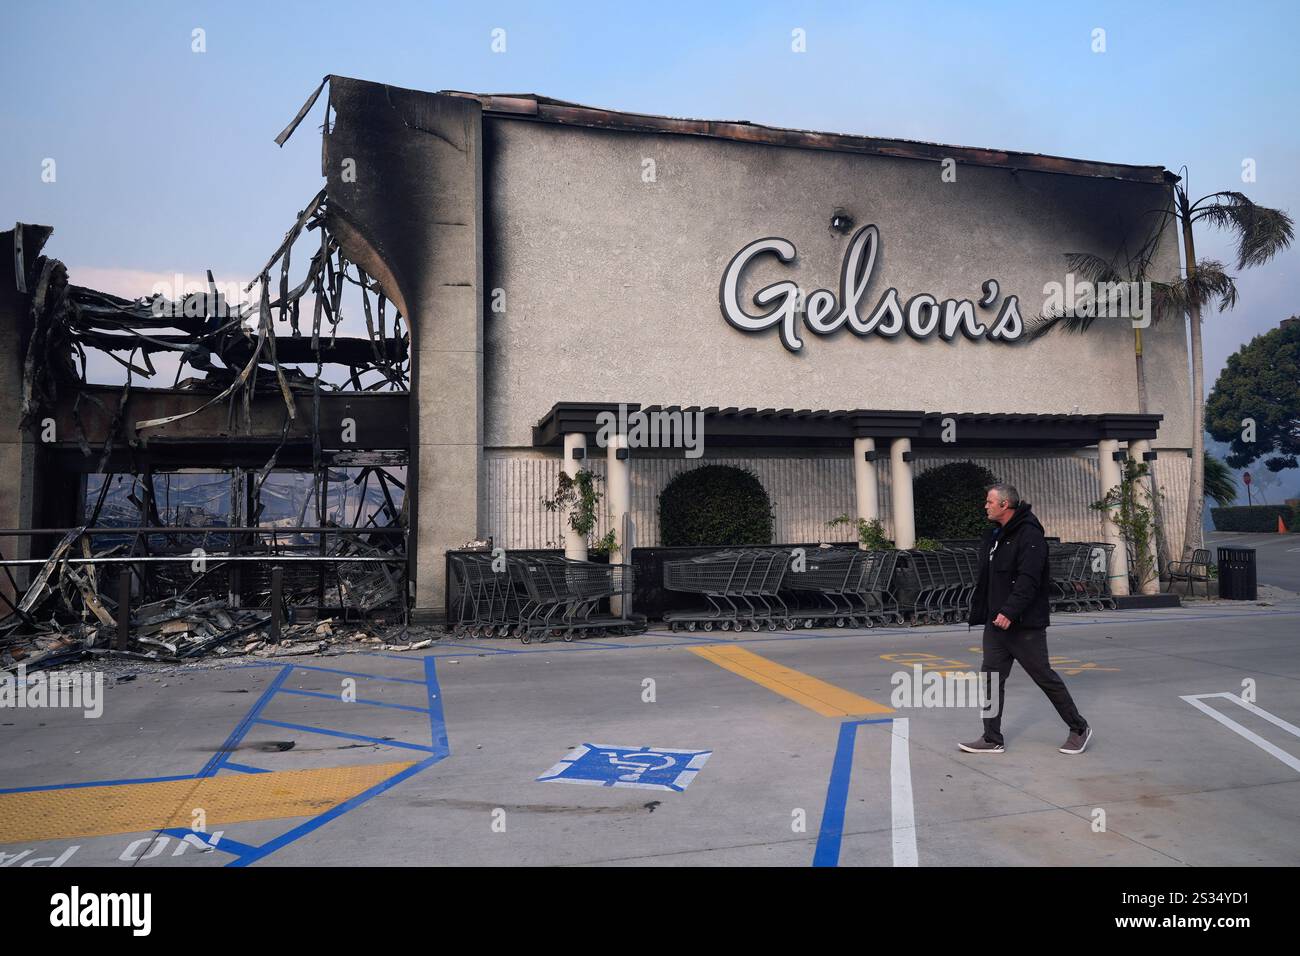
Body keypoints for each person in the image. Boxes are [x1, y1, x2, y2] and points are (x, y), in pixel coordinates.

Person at [959, 484, 1092, 755]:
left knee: (1043, 676)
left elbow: (1028, 580)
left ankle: (1079, 727)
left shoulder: (1030, 535)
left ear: (1005, 505)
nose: (985, 506)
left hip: (1023, 624)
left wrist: (1010, 612)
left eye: (989, 502)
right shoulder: (996, 535)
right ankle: (991, 737)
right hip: (996, 623)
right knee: (992, 678)